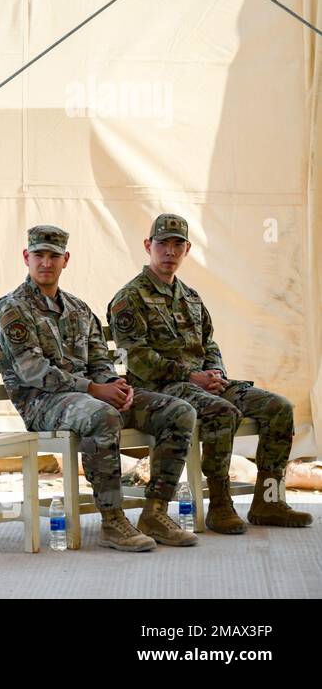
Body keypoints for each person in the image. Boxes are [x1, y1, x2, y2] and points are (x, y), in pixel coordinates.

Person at [0, 225, 198, 551]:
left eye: (54, 256)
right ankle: (112, 521)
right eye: (39, 255)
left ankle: (155, 512)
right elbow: (34, 372)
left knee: (178, 411)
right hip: (44, 404)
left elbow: (101, 361)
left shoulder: (79, 309)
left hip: (90, 399)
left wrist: (115, 386)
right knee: (102, 415)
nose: (46, 263)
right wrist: (95, 390)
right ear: (26, 258)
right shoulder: (11, 309)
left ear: (65, 260)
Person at [108, 213, 311, 532]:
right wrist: (191, 378)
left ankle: (268, 502)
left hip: (204, 384)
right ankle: (220, 504)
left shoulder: (190, 297)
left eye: (178, 245)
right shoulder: (129, 298)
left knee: (278, 408)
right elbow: (136, 358)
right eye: (163, 244)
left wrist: (215, 372)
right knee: (222, 412)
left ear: (187, 250)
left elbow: (209, 343)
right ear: (149, 246)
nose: (170, 252)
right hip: (161, 390)